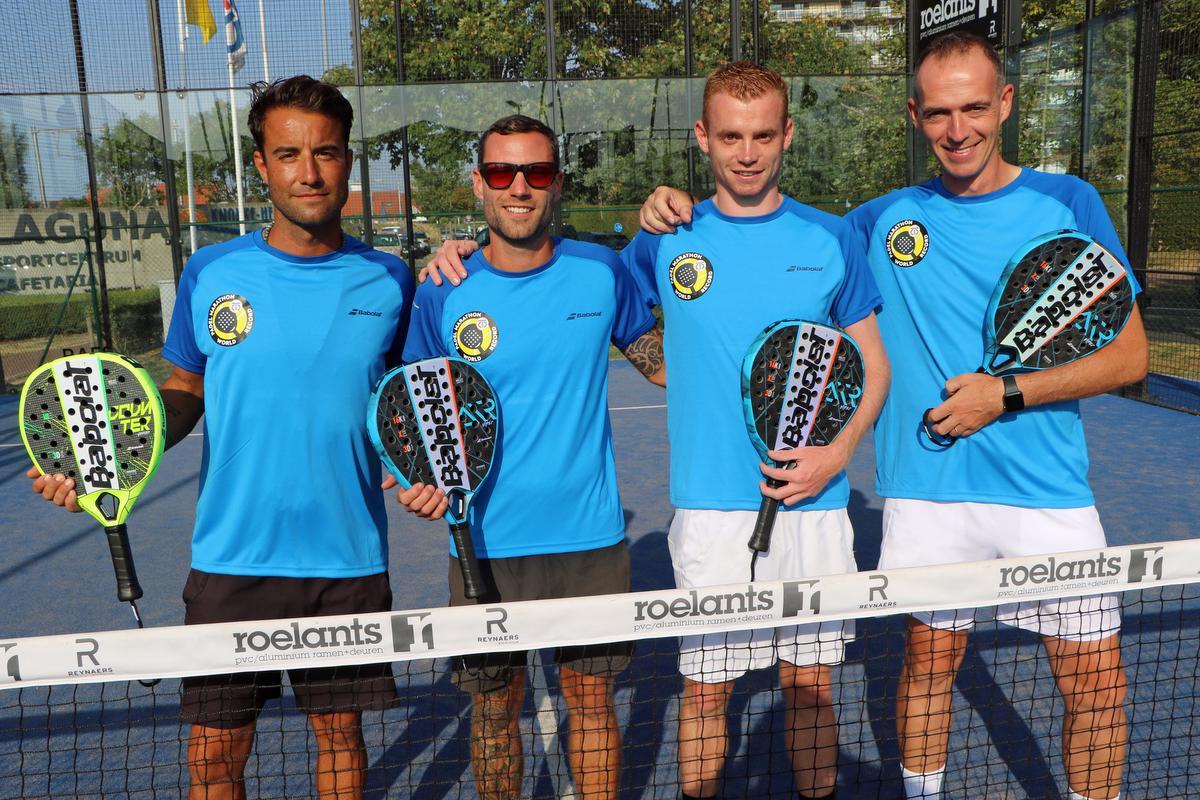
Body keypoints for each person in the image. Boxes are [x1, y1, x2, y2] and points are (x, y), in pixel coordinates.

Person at [639, 34, 1147, 800]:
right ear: (915, 116)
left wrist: (1005, 394)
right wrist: (659, 208)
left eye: (974, 106)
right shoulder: (870, 224)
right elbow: (765, 256)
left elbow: (1130, 356)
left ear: (1004, 103)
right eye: (939, 112)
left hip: (1048, 490)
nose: (958, 128)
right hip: (925, 491)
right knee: (928, 671)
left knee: (1097, 686)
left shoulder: (1067, 202)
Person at [429, 64, 889, 800]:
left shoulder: (832, 238)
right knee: (704, 694)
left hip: (817, 506)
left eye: (763, 135)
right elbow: (631, 335)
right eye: (731, 136)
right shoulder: (661, 239)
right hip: (708, 511)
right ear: (703, 137)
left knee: (812, 691)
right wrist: (453, 250)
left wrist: (834, 453)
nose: (747, 152)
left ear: (787, 136)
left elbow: (873, 364)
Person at [28, 75, 414, 800]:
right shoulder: (212, 272)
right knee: (212, 755)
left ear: (348, 162)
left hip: (346, 557)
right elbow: (182, 394)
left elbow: (401, 403)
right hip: (232, 560)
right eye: (289, 153)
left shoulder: (391, 278)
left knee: (340, 739)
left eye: (325, 152)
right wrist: (108, 464)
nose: (309, 171)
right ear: (262, 165)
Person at [396, 114, 665, 800]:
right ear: (479, 184)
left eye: (536, 172)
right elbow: (410, 403)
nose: (519, 187)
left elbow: (662, 363)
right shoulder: (441, 287)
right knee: (493, 712)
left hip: (590, 542)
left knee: (593, 705)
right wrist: (416, 478)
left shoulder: (600, 272)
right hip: (482, 543)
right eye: (502, 173)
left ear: (557, 184)